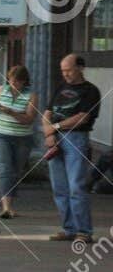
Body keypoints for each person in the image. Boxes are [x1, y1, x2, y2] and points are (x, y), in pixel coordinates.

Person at [43, 53, 101, 244]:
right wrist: (49, 133)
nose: (65, 74)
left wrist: (56, 127)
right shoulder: (60, 87)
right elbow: (47, 113)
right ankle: (69, 229)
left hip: (76, 138)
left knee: (76, 186)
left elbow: (82, 118)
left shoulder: (91, 91)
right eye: (63, 70)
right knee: (59, 187)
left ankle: (83, 231)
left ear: (80, 68)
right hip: (55, 139)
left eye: (69, 70)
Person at [0, 64, 38, 219]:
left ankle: (11, 206)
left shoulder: (31, 95)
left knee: (16, 171)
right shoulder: (1, 90)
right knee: (5, 169)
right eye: (11, 81)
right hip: (1, 136)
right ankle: (6, 208)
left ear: (24, 81)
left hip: (23, 138)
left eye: (17, 82)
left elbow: (29, 119)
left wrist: (11, 112)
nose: (13, 84)